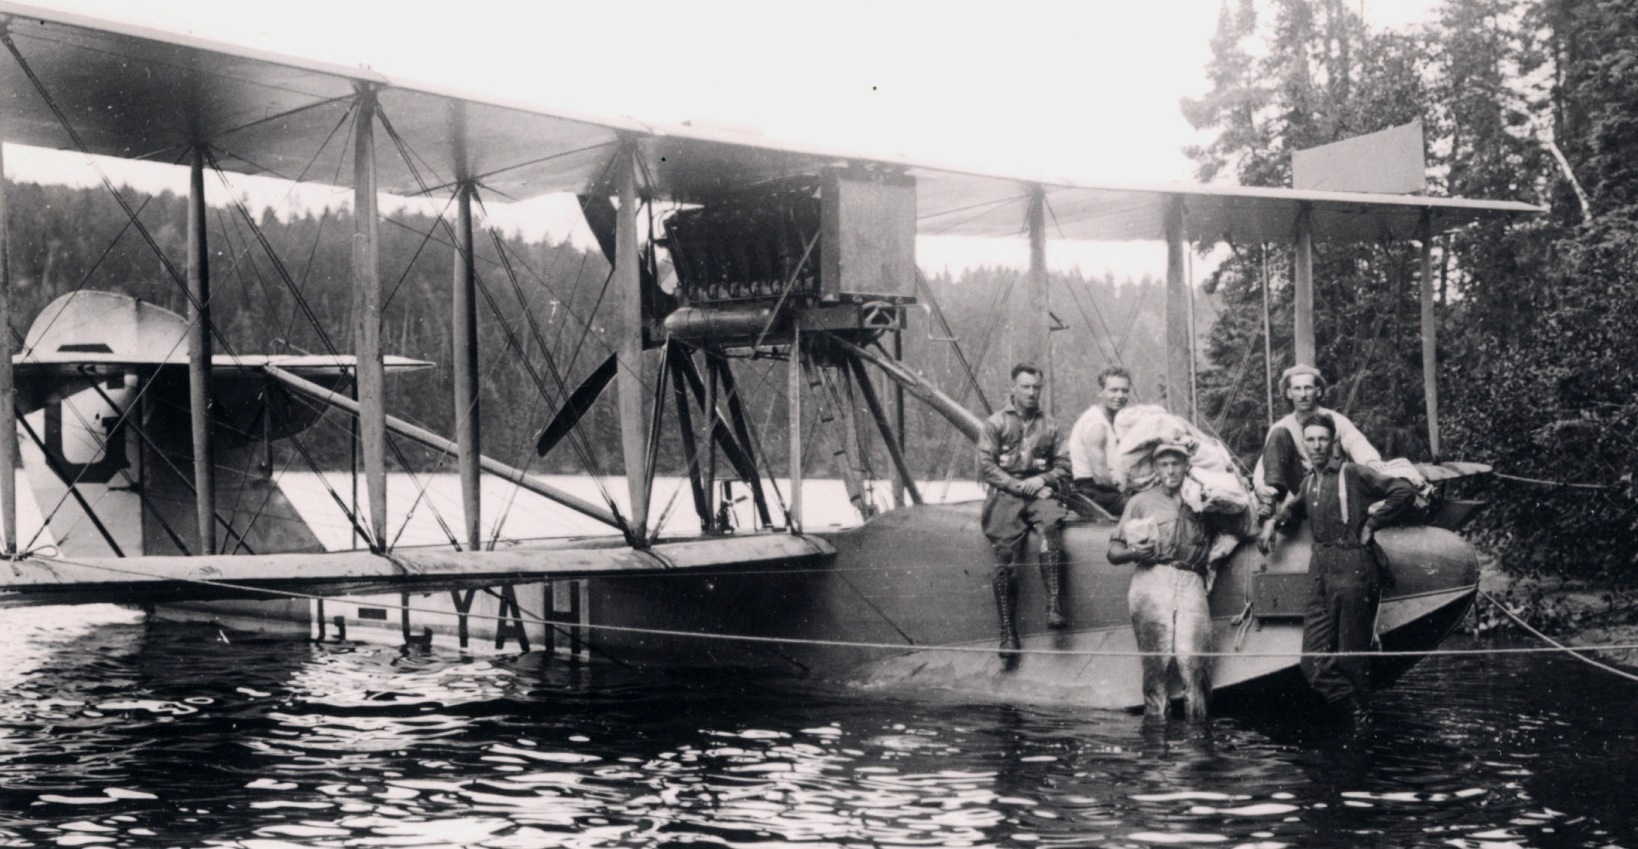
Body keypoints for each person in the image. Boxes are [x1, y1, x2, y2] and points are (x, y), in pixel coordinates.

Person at [1257, 412, 1416, 723]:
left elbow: (1403, 491)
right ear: (1304, 445)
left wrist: (1372, 524)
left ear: (1333, 443)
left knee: (1352, 658)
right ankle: (1356, 711)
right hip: (1321, 568)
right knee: (1313, 662)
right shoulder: (1308, 482)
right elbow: (1294, 508)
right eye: (1311, 440)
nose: (1317, 446)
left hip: (1353, 564)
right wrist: (1273, 522)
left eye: (1323, 440)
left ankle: (1358, 726)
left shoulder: (1353, 473)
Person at [1106, 441, 1227, 722]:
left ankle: (1198, 742)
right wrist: (1135, 552)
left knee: (1195, 665)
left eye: (1176, 464)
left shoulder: (1204, 500)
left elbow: (1240, 523)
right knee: (1155, 666)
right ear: (1156, 469)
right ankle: (1155, 743)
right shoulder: (1140, 501)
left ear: (1187, 466)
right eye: (1164, 464)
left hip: (1191, 579)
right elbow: (1113, 552)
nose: (1171, 470)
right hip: (1151, 579)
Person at [977, 363, 1073, 660]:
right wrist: (1020, 487)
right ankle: (1007, 632)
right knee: (1005, 553)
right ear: (1013, 389)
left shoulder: (1051, 426)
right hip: (1006, 494)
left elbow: (1065, 465)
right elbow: (987, 467)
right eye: (1026, 387)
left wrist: (1041, 480)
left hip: (1038, 491)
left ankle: (1054, 604)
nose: (1031, 393)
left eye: (1036, 387)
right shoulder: (996, 423)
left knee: (1051, 526)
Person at [1253, 365, 1382, 518]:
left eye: (1308, 388)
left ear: (1318, 391)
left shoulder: (1335, 419)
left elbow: (1355, 442)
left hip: (1330, 484)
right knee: (1278, 434)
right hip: (1300, 486)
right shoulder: (1281, 427)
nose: (1303, 395)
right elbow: (1266, 462)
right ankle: (1270, 499)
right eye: (1297, 389)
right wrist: (1261, 487)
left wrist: (1371, 460)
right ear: (1289, 393)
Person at [1069, 366, 1132, 517]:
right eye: (1113, 390)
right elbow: (1101, 477)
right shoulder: (1096, 424)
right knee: (1148, 506)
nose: (1119, 395)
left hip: (1108, 489)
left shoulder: (1116, 421)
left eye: (1124, 391)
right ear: (1100, 392)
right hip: (1094, 491)